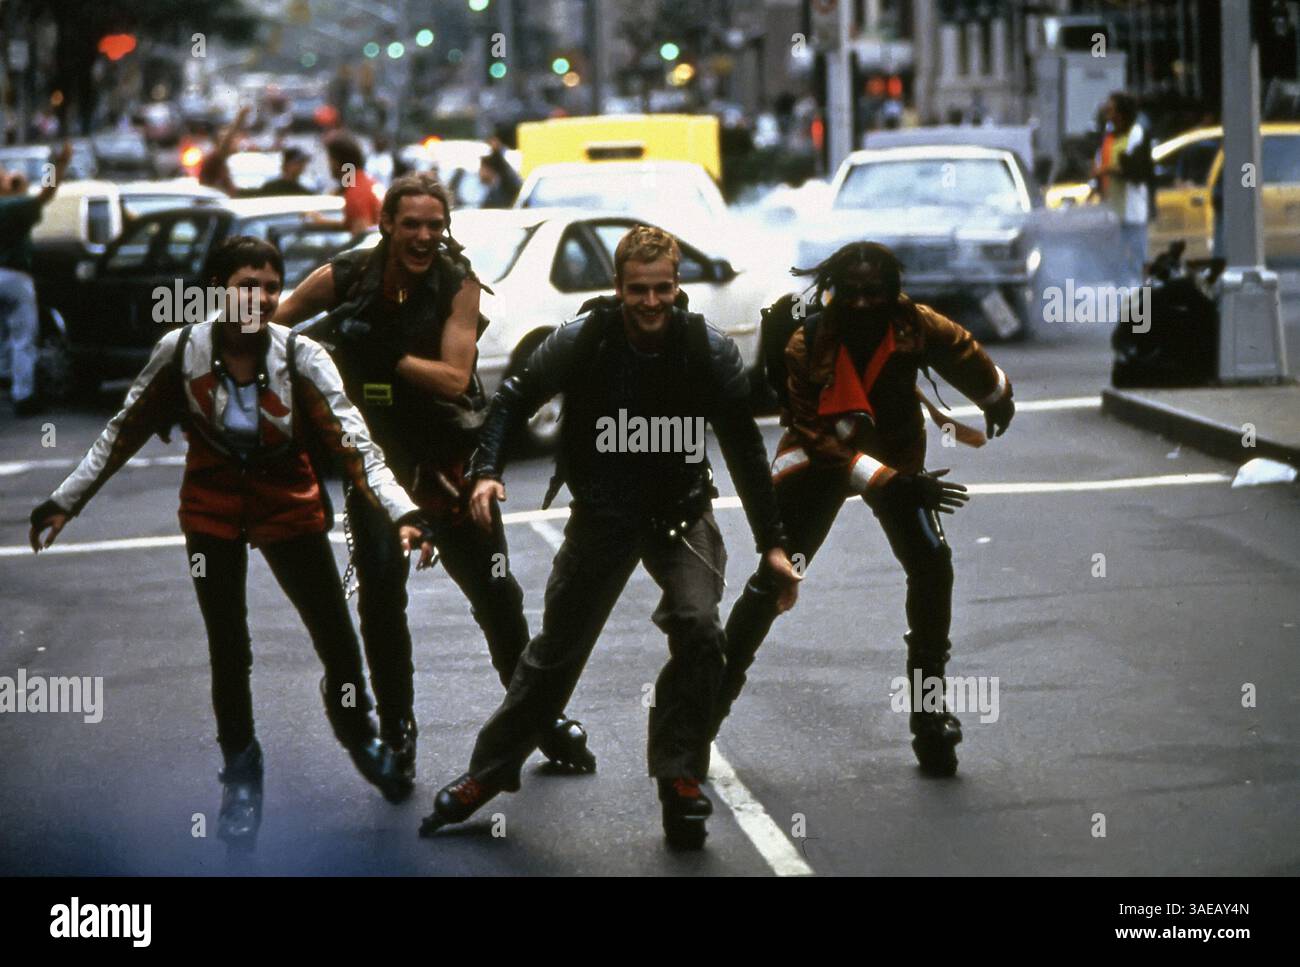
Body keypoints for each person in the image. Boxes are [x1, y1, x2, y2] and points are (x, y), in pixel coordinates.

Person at [28, 236, 432, 850]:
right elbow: (122, 431)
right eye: (247, 284)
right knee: (229, 648)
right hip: (211, 513)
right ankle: (242, 781)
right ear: (219, 289)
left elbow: (358, 448)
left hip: (289, 508)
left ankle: (362, 738)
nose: (261, 298)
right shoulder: (182, 351)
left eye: (271, 286)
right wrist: (66, 500)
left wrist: (404, 511)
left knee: (337, 640)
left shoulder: (302, 356)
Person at [420, 225, 802, 849]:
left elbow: (743, 448)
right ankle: (486, 775)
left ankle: (680, 777)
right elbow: (513, 398)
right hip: (603, 514)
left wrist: (774, 544)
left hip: (680, 512)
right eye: (637, 291)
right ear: (618, 289)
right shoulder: (586, 339)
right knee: (555, 654)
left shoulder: (706, 348)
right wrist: (486, 473)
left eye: (662, 290)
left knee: (700, 629)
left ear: (677, 288)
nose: (650, 304)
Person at [275, 172, 595, 797]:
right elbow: (273, 325)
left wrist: (382, 354)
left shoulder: (459, 284)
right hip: (376, 468)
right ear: (385, 225)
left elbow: (453, 378)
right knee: (380, 602)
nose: (422, 236)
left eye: (433, 225)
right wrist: (305, 355)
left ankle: (539, 720)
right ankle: (398, 732)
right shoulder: (345, 277)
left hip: (449, 464)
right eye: (410, 224)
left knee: (498, 600)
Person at [715, 242, 1015, 777]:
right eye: (848, 293)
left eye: (872, 293)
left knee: (931, 567)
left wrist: (996, 395)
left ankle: (929, 718)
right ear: (832, 290)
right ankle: (704, 713)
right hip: (819, 460)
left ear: (892, 292)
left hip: (897, 454)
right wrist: (891, 483)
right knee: (775, 575)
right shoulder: (807, 343)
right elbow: (816, 433)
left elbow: (962, 349)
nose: (859, 304)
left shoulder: (914, 324)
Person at [0, 142, 72, 416]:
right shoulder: (13, 207)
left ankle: (6, 376)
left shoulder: (12, 205)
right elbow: (47, 193)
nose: (9, 176)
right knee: (23, 337)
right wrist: (59, 165)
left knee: (3, 335)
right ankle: (24, 395)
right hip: (15, 277)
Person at [1090, 92, 1152, 285]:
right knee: (1116, 265)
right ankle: (1121, 305)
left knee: (1136, 261)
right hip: (1112, 211)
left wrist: (1108, 169)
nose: (1108, 115)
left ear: (1122, 114)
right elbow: (1100, 163)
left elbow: (1138, 169)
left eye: (1111, 110)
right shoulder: (1108, 136)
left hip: (1131, 210)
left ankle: (1139, 305)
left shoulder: (1136, 134)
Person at [311, 132, 382, 234]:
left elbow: (362, 236)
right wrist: (322, 222)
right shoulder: (367, 183)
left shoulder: (356, 193)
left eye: (330, 160)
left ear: (336, 162)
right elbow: (354, 223)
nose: (329, 166)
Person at [198, 105, 250, 198]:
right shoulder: (212, 160)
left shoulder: (227, 163)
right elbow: (223, 149)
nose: (232, 142)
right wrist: (238, 121)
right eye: (226, 140)